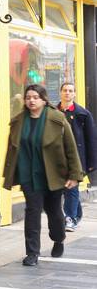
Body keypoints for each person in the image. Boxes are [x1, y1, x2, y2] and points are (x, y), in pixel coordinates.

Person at [2, 83, 82, 266]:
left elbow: (70, 148)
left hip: (53, 174)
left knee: (54, 211)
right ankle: (32, 253)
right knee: (32, 212)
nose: (31, 101)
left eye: (35, 98)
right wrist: (9, 173)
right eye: (28, 97)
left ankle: (58, 238)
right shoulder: (18, 121)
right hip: (29, 175)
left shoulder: (57, 119)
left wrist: (74, 175)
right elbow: (12, 148)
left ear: (44, 100)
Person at [59, 82, 97, 230]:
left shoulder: (83, 114)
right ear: (60, 92)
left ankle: (70, 218)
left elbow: (91, 139)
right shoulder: (53, 112)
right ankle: (76, 215)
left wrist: (92, 162)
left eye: (70, 91)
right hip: (57, 158)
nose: (67, 93)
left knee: (71, 188)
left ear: (74, 94)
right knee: (67, 189)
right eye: (65, 90)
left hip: (76, 158)